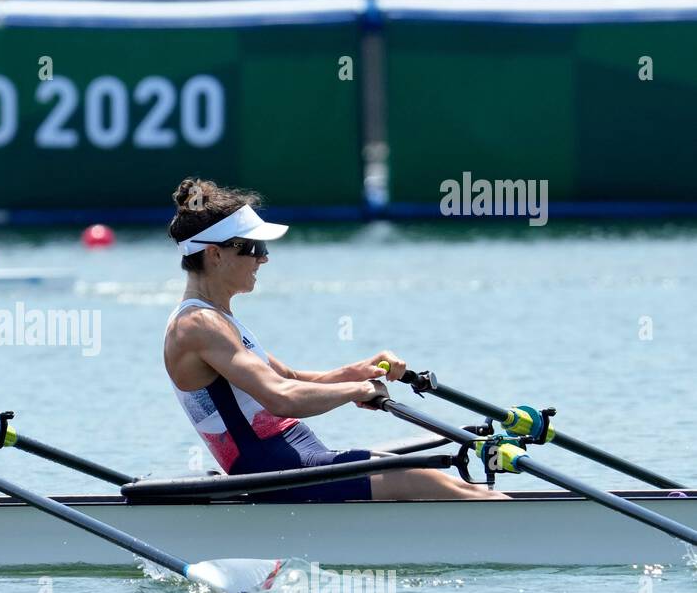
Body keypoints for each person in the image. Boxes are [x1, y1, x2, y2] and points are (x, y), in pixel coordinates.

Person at [163, 177, 503, 502]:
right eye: (254, 247)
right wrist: (353, 392)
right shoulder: (197, 325)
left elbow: (290, 379)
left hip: (295, 460)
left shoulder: (218, 319)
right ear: (215, 254)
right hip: (277, 474)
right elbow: (282, 398)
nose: (263, 258)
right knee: (442, 484)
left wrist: (362, 371)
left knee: (438, 481)